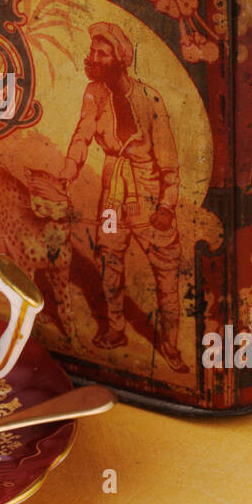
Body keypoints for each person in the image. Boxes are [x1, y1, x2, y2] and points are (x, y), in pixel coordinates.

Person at [58, 22, 188, 373]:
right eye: (93, 52)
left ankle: (171, 346)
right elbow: (82, 135)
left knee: (165, 269)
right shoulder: (93, 93)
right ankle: (116, 330)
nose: (95, 58)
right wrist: (67, 172)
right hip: (113, 196)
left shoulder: (149, 99)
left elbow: (169, 160)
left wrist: (166, 205)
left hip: (149, 197)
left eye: (103, 53)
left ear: (121, 58)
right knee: (109, 261)